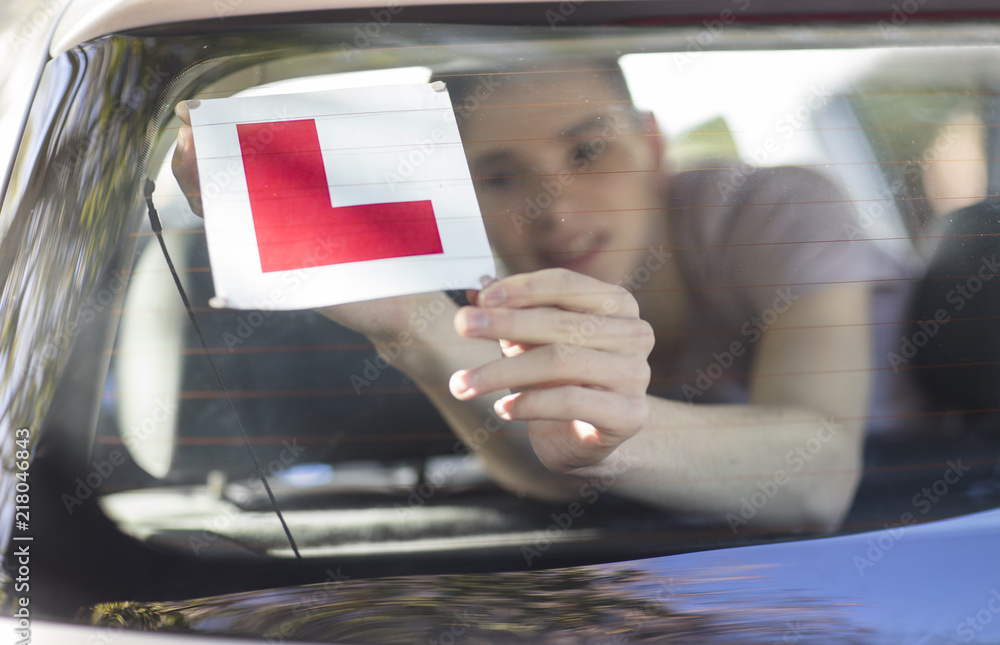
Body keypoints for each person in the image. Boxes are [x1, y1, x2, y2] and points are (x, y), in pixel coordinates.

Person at [171, 62, 911, 532]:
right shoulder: (497, 295)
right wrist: (409, 322)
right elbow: (545, 466)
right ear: (468, 201)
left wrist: (615, 432)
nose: (553, 208)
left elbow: (817, 473)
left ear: (652, 148)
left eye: (588, 151)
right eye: (500, 177)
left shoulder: (772, 211)